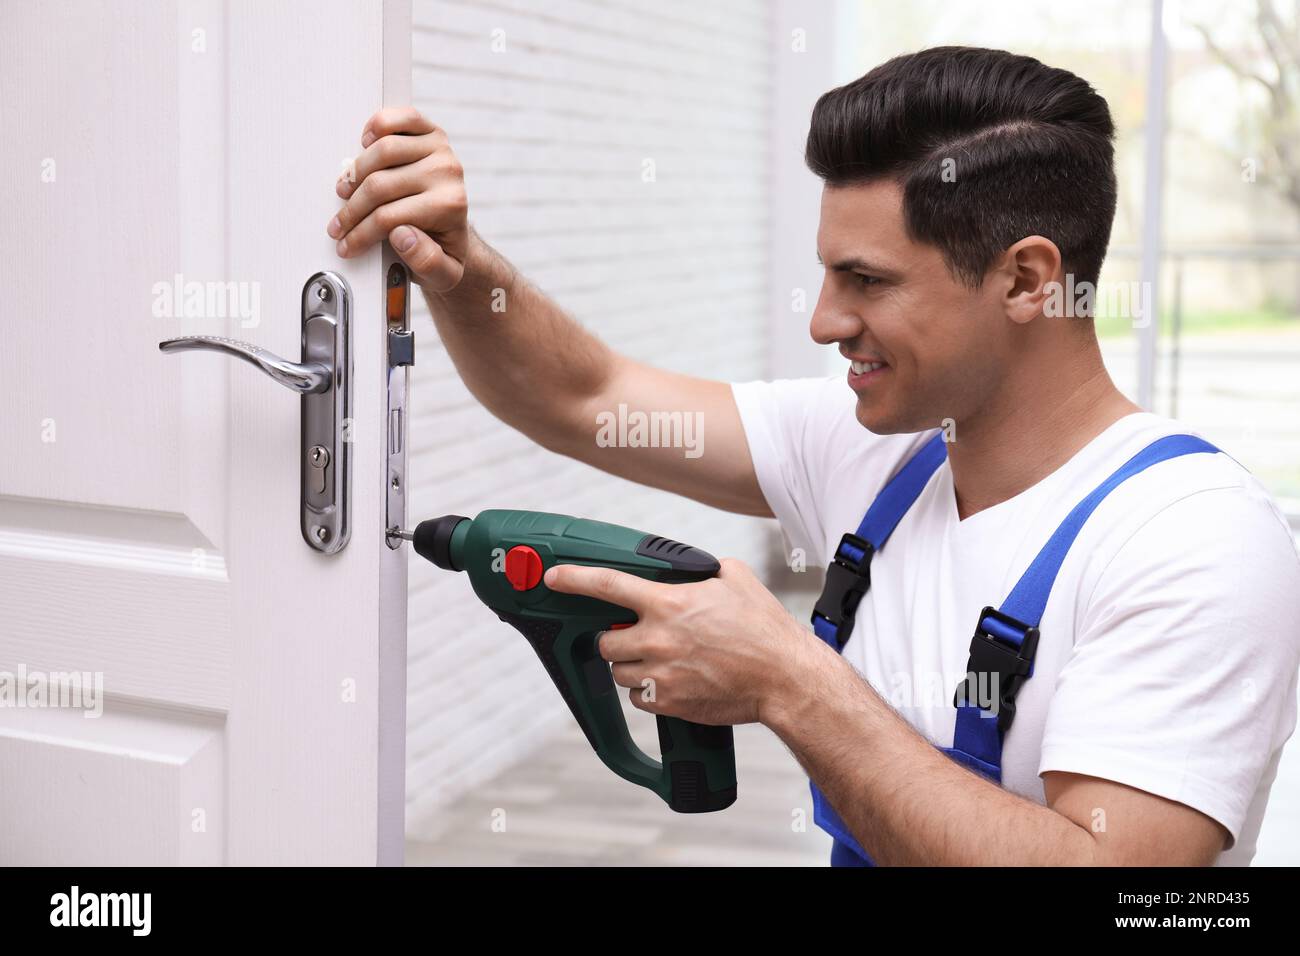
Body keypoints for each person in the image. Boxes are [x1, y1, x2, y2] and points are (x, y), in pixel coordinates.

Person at [327, 46, 1300, 865]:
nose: (825, 320)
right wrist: (460, 263)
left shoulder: (1191, 543)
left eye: (865, 280)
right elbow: (583, 397)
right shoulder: (878, 449)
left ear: (1025, 280)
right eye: (827, 274)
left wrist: (789, 679)